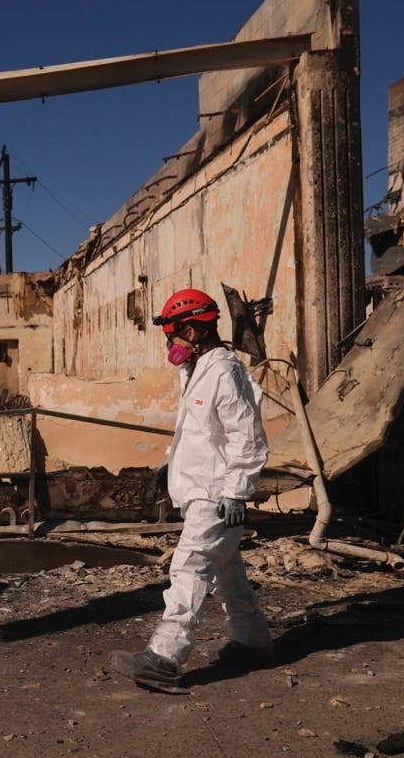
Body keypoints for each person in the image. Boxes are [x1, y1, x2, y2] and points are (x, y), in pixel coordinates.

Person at [110, 288, 272, 694]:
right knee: (226, 572)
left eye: (174, 331)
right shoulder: (194, 371)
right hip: (201, 488)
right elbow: (197, 433)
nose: (170, 341)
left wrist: (237, 491)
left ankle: (165, 657)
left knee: (188, 567)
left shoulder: (224, 372)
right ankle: (252, 641)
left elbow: (247, 436)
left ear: (196, 330)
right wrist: (169, 465)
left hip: (217, 494)